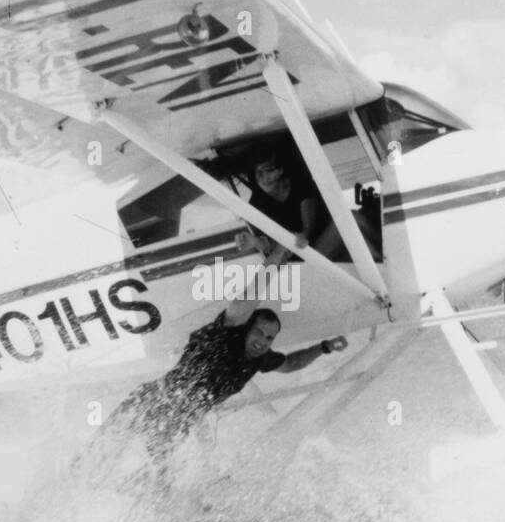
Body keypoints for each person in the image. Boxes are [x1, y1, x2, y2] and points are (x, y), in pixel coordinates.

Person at [98, 278, 348, 490]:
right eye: (259, 332)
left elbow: (290, 364)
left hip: (178, 421)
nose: (262, 341)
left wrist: (324, 347)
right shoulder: (223, 336)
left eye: (269, 338)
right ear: (246, 329)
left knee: (158, 479)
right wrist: (278, 257)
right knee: (97, 454)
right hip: (152, 400)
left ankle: (123, 513)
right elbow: (242, 305)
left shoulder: (258, 358)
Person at [246, 153, 377, 261]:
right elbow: (268, 244)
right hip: (303, 260)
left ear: (280, 170)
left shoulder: (300, 184)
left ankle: (382, 255)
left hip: (316, 244)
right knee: (353, 218)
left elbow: (308, 229)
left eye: (269, 170)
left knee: (354, 218)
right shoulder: (256, 203)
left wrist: (302, 236)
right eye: (259, 173)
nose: (264, 178)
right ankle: (380, 259)